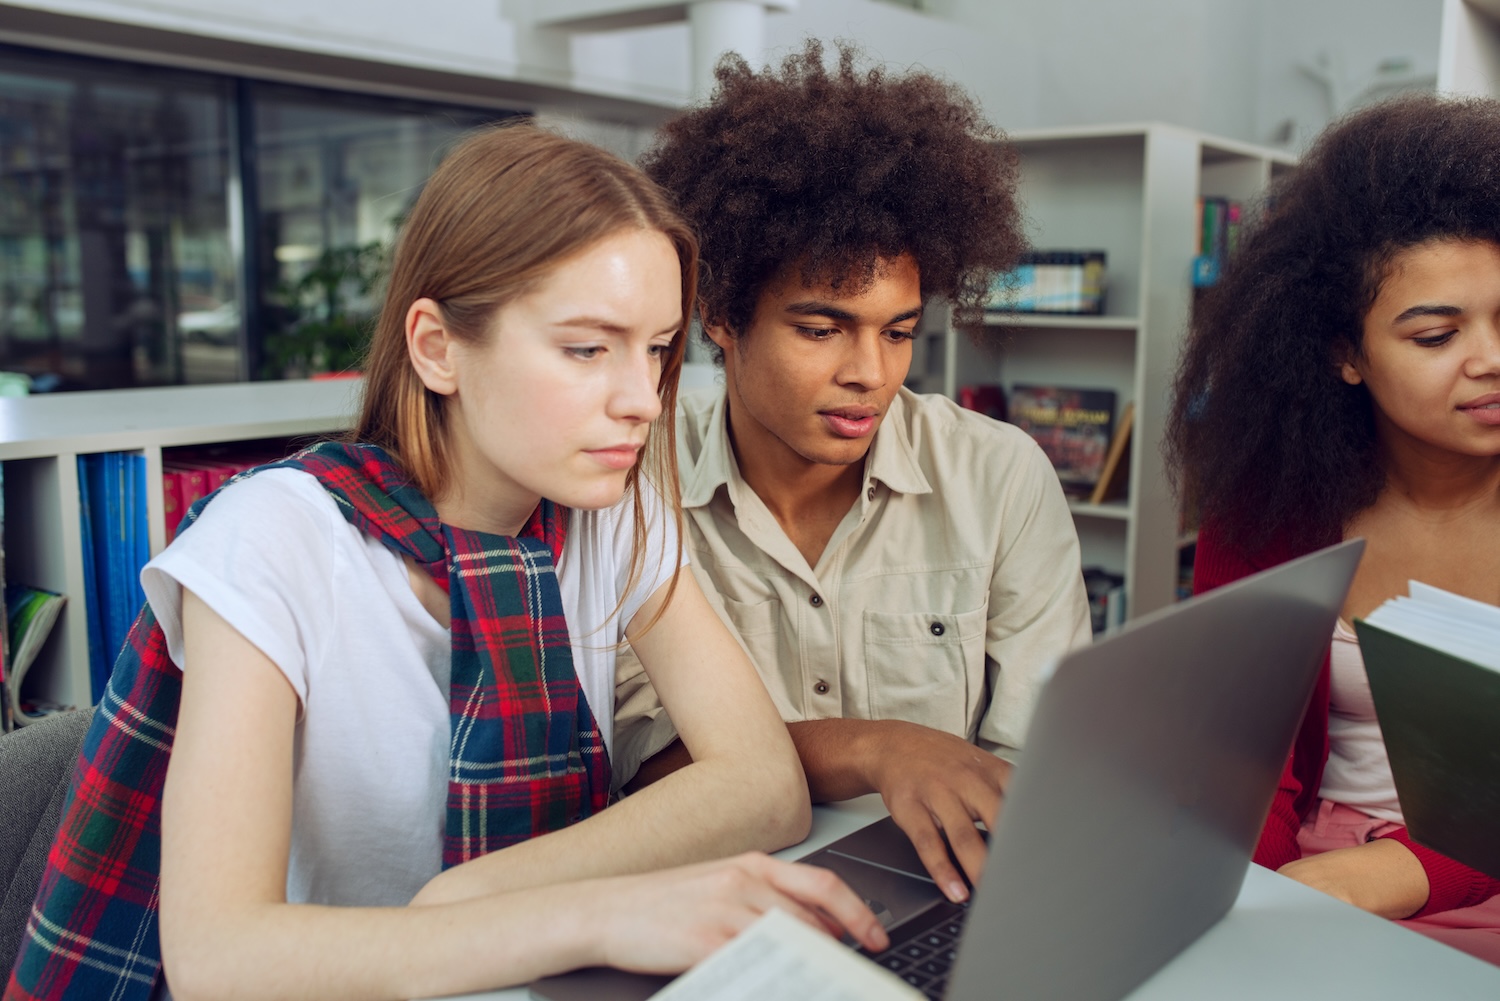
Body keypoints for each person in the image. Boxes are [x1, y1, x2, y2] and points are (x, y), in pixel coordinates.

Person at [4, 125, 887, 1001]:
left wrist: (472, 895)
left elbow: (765, 784)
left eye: (656, 350)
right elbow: (218, 957)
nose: (640, 400)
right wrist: (592, 911)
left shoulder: (611, 517)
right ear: (437, 347)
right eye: (587, 347)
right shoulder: (273, 540)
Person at [616, 41, 1092, 905]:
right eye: (821, 328)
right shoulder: (631, 479)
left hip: (945, 888)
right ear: (719, 313)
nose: (871, 373)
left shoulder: (998, 476)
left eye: (899, 330)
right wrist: (876, 745)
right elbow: (645, 769)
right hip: (712, 897)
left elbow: (1035, 760)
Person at [1166, 93, 1500, 965]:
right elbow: (1249, 765)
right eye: (1436, 334)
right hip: (1321, 868)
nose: (1490, 360)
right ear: (1344, 354)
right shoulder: (1269, 510)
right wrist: (1254, 903)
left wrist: (1393, 874)